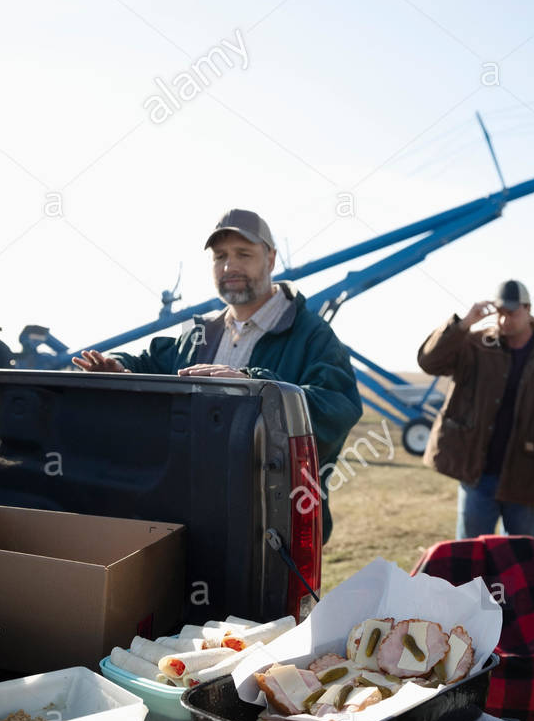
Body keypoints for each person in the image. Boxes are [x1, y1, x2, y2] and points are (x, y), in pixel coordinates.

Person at [72, 208, 362, 540]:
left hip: (270, 523)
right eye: (220, 256)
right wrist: (117, 367)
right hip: (185, 513)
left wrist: (256, 387)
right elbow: (149, 363)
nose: (229, 266)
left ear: (270, 258)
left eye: (243, 254)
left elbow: (336, 407)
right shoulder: (199, 333)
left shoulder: (312, 335)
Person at [417, 280, 534, 539]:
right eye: (500, 313)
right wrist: (463, 324)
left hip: (526, 480)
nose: (505, 320)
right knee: (469, 560)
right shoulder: (475, 346)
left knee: (520, 564)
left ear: (528, 309)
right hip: (477, 475)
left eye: (512, 312)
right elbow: (430, 362)